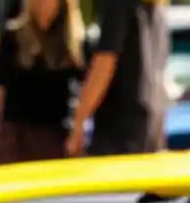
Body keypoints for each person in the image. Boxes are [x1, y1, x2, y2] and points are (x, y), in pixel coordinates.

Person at [67, 0, 169, 157]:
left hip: (118, 132)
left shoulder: (118, 4)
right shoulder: (158, 8)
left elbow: (105, 63)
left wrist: (78, 122)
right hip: (150, 128)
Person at [0, 0, 84, 163]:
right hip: (16, 137)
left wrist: (77, 129)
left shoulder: (75, 44)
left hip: (57, 137)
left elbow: (85, 90)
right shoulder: (13, 37)